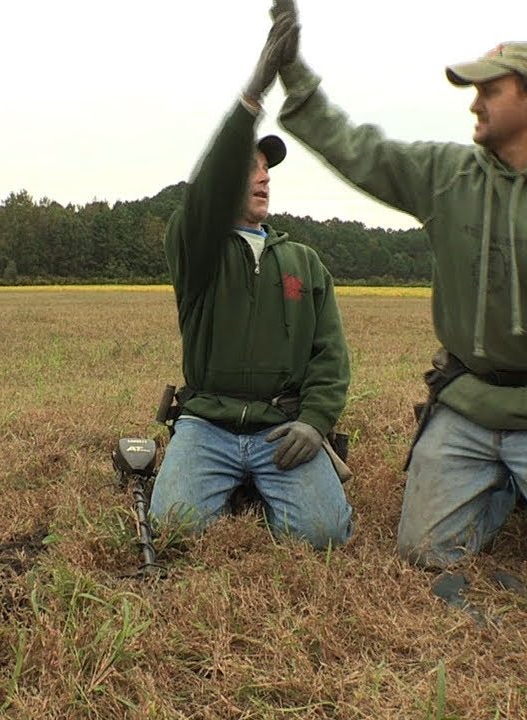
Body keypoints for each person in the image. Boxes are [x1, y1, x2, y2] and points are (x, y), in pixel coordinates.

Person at [271, 5, 527, 591]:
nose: (475, 103)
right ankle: (504, 487)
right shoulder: (449, 176)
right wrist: (296, 77)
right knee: (424, 551)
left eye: (490, 89)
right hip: (466, 403)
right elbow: (361, 151)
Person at [149, 11, 353, 549]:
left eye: (267, 168)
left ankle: (264, 484)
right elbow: (203, 195)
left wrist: (315, 422)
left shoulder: (306, 263)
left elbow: (329, 355)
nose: (263, 175)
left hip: (280, 428)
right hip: (205, 423)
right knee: (173, 529)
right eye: (249, 166)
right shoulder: (198, 246)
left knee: (325, 534)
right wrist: (253, 94)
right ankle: (228, 483)